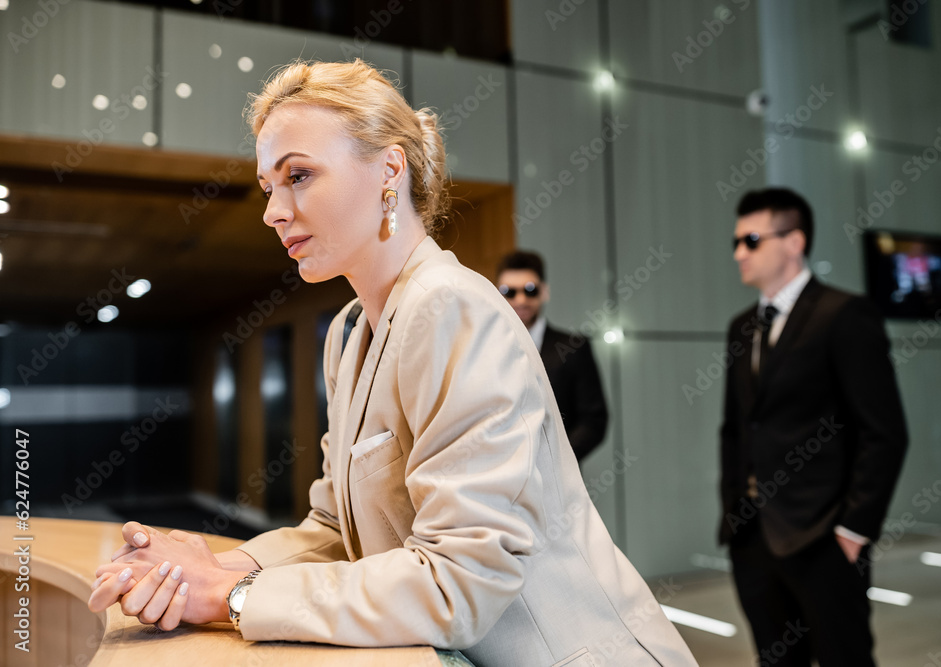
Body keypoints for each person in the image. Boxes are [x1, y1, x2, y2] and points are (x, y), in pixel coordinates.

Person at [87, 59, 697, 666]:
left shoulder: (451, 306)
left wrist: (232, 596)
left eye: (298, 175)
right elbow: (333, 529)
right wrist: (201, 568)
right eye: (270, 185)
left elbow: (460, 582)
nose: (273, 210)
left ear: (389, 169)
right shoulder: (351, 332)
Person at [718, 187, 908, 666]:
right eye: (737, 241)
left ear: (794, 241)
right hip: (754, 537)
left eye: (752, 240)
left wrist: (852, 530)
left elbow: (884, 432)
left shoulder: (844, 315)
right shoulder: (741, 327)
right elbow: (737, 429)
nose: (740, 252)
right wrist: (734, 514)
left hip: (824, 538)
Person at [495, 250, 609, 462]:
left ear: (544, 292)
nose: (520, 299)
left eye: (530, 290)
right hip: (497, 480)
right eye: (509, 291)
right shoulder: (486, 348)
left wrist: (554, 462)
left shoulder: (574, 347)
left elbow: (593, 419)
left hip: (558, 481)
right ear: (497, 295)